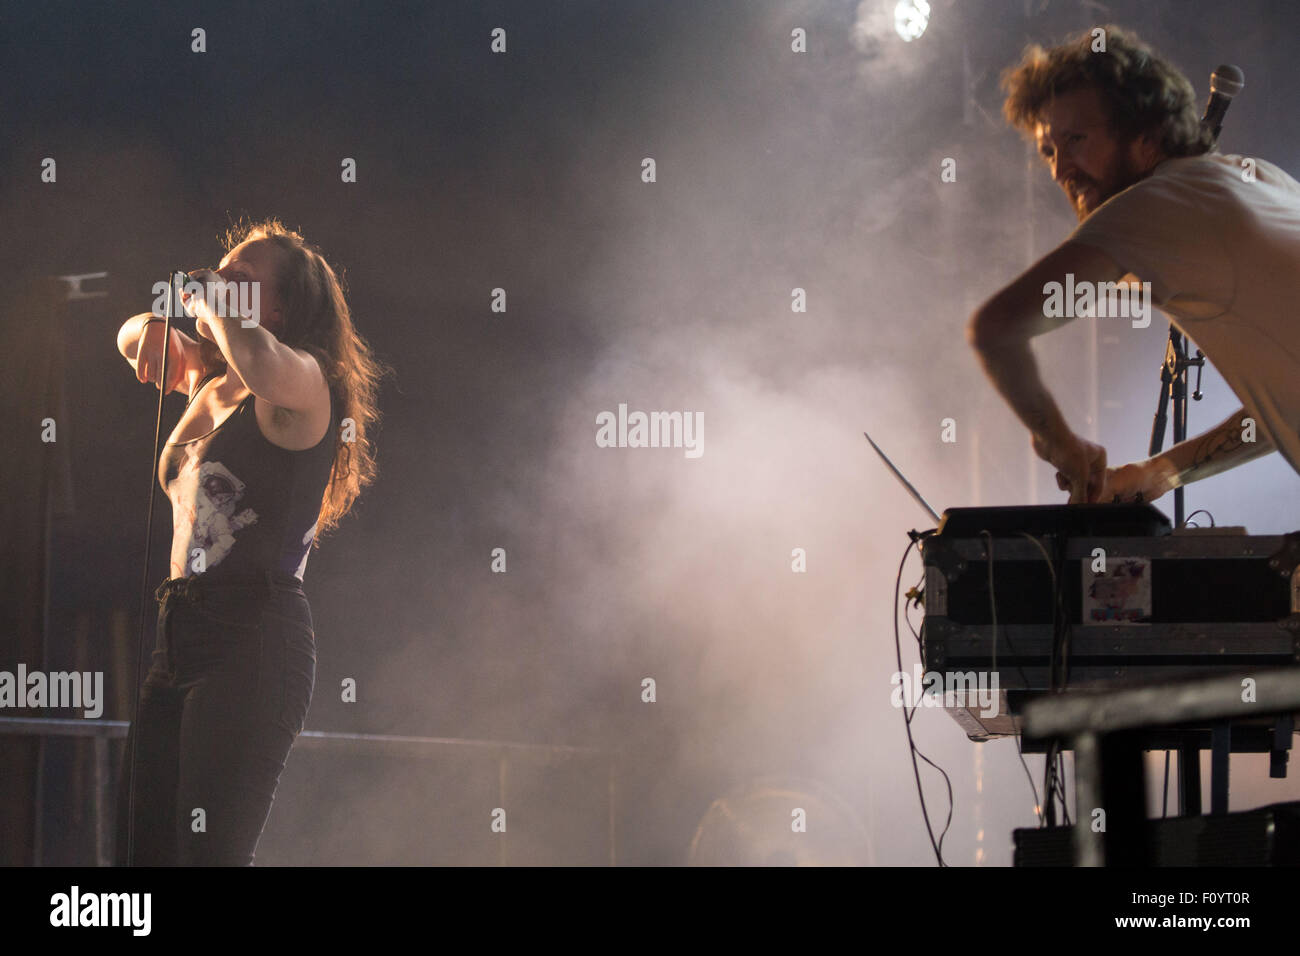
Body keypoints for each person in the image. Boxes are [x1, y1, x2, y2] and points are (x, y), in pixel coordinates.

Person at [113, 219, 386, 864]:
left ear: (282, 308)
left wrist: (208, 299)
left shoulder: (302, 382)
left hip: (253, 639)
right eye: (220, 270)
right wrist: (156, 327)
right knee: (139, 855)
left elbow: (260, 359)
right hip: (177, 634)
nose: (221, 281)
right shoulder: (213, 382)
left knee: (207, 853)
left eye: (242, 280)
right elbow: (128, 338)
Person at [967, 25, 1300, 504]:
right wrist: (1158, 473)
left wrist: (1057, 441)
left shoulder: (1152, 206)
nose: (1060, 168)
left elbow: (996, 329)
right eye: (1048, 150)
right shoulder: (1257, 179)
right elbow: (1279, 411)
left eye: (1076, 139)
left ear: (1147, 133)